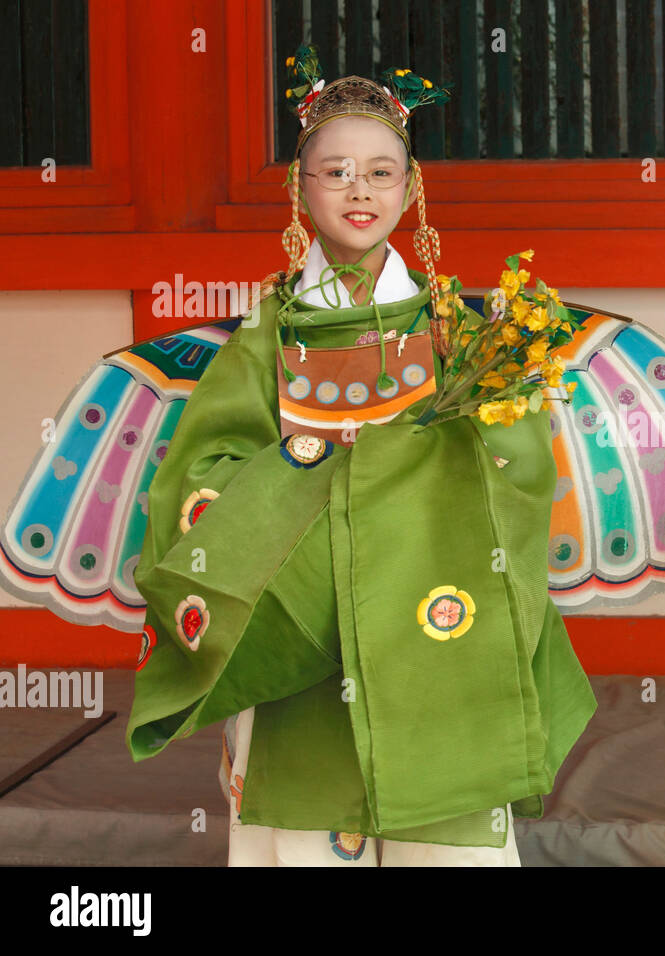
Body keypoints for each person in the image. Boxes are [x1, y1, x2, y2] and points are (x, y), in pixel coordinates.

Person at [126, 49, 595, 866]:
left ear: (411, 189)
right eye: (335, 171)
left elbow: (521, 462)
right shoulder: (267, 335)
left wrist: (424, 473)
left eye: (382, 172)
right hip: (306, 630)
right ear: (299, 190)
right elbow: (201, 479)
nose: (359, 190)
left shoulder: (458, 331)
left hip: (437, 613)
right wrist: (315, 476)